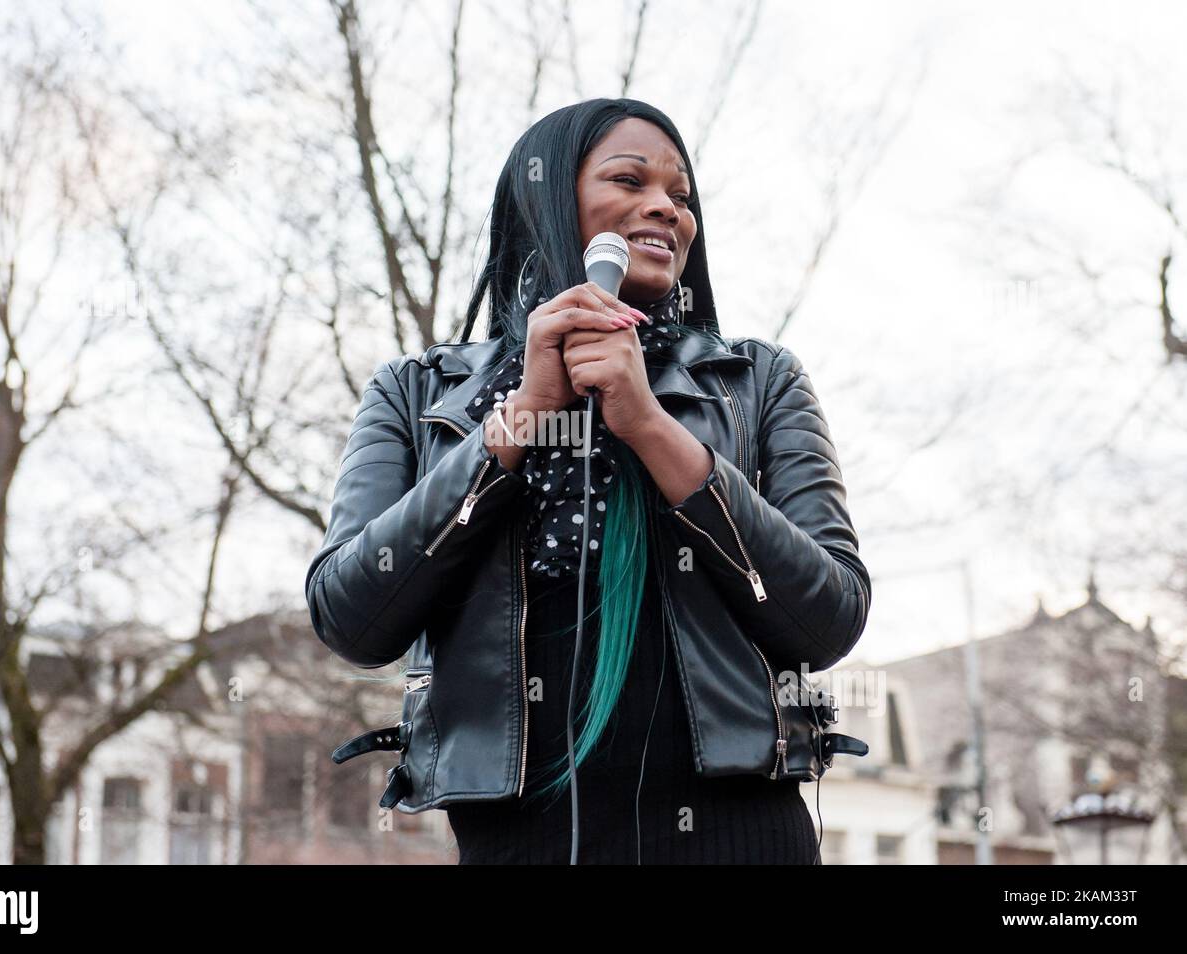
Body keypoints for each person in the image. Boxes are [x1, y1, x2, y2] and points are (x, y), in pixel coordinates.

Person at [306, 98, 870, 865]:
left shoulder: (758, 380)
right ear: (545, 200)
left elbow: (829, 614)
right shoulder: (415, 393)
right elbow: (351, 615)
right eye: (629, 180)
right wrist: (523, 413)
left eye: (681, 195)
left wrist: (650, 426)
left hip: (738, 833)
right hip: (519, 837)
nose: (665, 209)